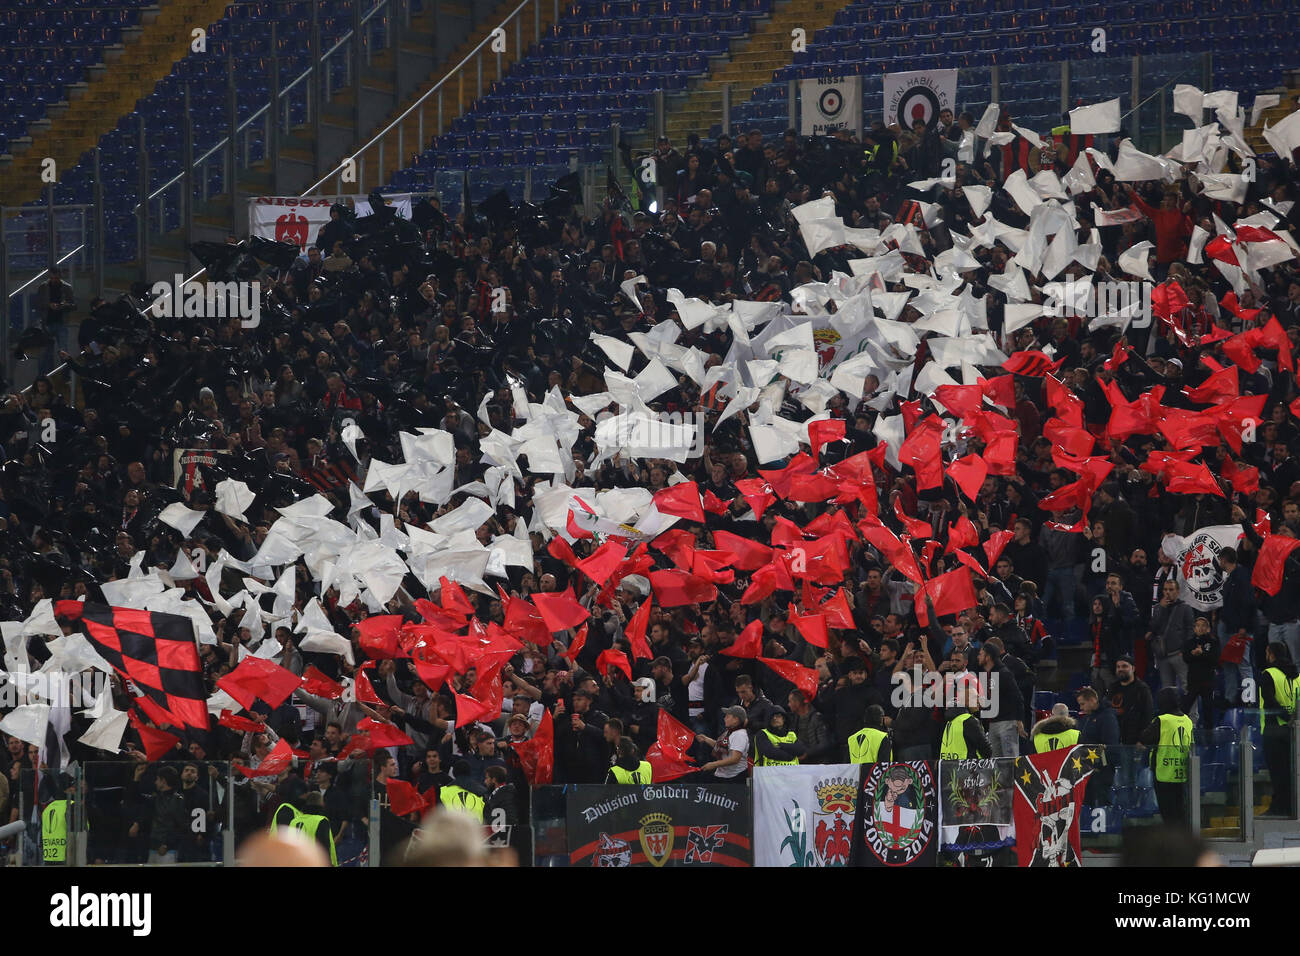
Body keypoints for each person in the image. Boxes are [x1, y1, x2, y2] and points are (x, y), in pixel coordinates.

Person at [1139, 688, 1193, 828]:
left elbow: (1145, 738)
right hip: (1182, 773)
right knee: (1181, 812)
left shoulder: (1162, 720)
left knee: (1168, 815)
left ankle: (1174, 845)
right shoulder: (1187, 720)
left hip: (1163, 773)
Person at [1259, 642, 1299, 817]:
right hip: (1294, 730)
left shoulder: (1269, 674)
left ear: (1271, 654)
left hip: (1274, 729)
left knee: (1278, 772)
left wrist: (1284, 716)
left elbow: (1269, 702)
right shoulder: (1297, 676)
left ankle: (1279, 808)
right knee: (1292, 772)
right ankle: (1292, 806)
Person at [694, 706, 749, 781]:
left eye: (727, 716)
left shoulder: (739, 735)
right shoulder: (730, 732)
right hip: (724, 775)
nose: (724, 718)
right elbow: (722, 747)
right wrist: (706, 739)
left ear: (736, 719)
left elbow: (735, 759)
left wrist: (713, 764)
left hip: (734, 777)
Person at [938, 684, 992, 759]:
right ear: (966, 701)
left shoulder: (950, 722)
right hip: (970, 768)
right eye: (975, 698)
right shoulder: (969, 721)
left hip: (950, 768)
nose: (978, 701)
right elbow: (987, 751)